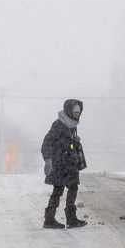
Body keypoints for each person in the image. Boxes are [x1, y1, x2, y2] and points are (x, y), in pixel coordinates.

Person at [41, 98, 88, 229]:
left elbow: (67, 143)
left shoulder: (71, 125)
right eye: (75, 111)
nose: (77, 114)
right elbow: (47, 142)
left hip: (70, 163)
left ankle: (70, 219)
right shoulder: (59, 124)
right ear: (69, 110)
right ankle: (50, 220)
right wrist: (48, 160)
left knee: (72, 188)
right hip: (60, 164)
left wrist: (74, 142)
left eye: (79, 112)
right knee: (58, 190)